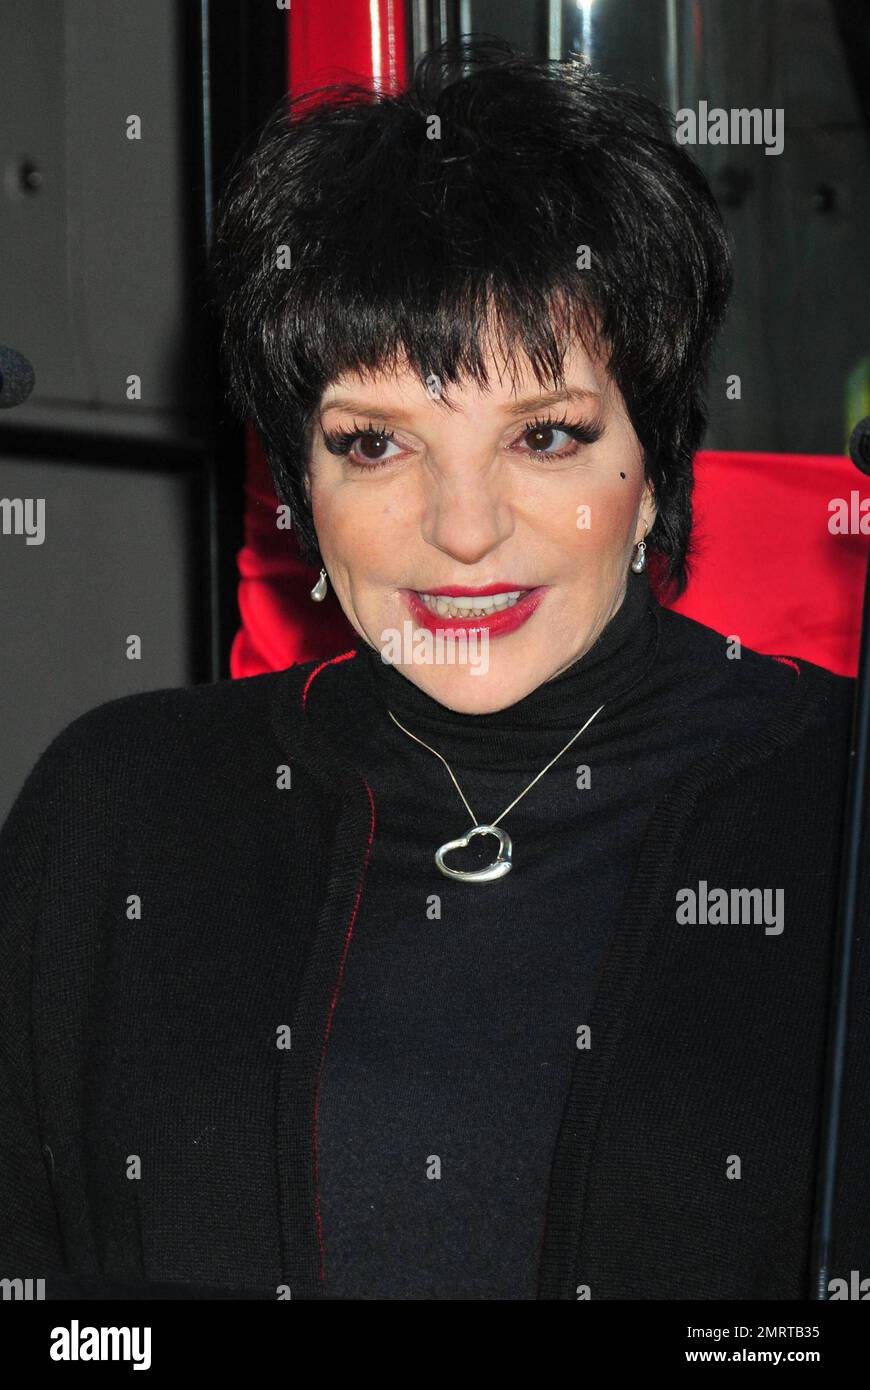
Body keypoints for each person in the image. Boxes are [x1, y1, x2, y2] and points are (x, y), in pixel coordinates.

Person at [1, 38, 868, 1302]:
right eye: (374, 444)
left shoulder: (840, 803)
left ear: (656, 470)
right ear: (303, 483)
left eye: (549, 436)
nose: (463, 528)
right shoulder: (120, 806)